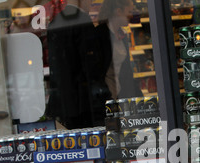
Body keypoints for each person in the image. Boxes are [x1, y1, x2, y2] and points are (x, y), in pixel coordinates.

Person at [47, 0, 109, 129]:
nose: (91, 2)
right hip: (84, 99)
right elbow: (90, 63)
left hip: (66, 99)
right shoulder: (82, 21)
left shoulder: (55, 22)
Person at [96, 0, 143, 100]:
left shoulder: (122, 35)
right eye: (129, 11)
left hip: (121, 95)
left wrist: (138, 96)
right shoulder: (99, 34)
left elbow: (127, 72)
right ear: (118, 11)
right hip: (105, 97)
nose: (131, 15)